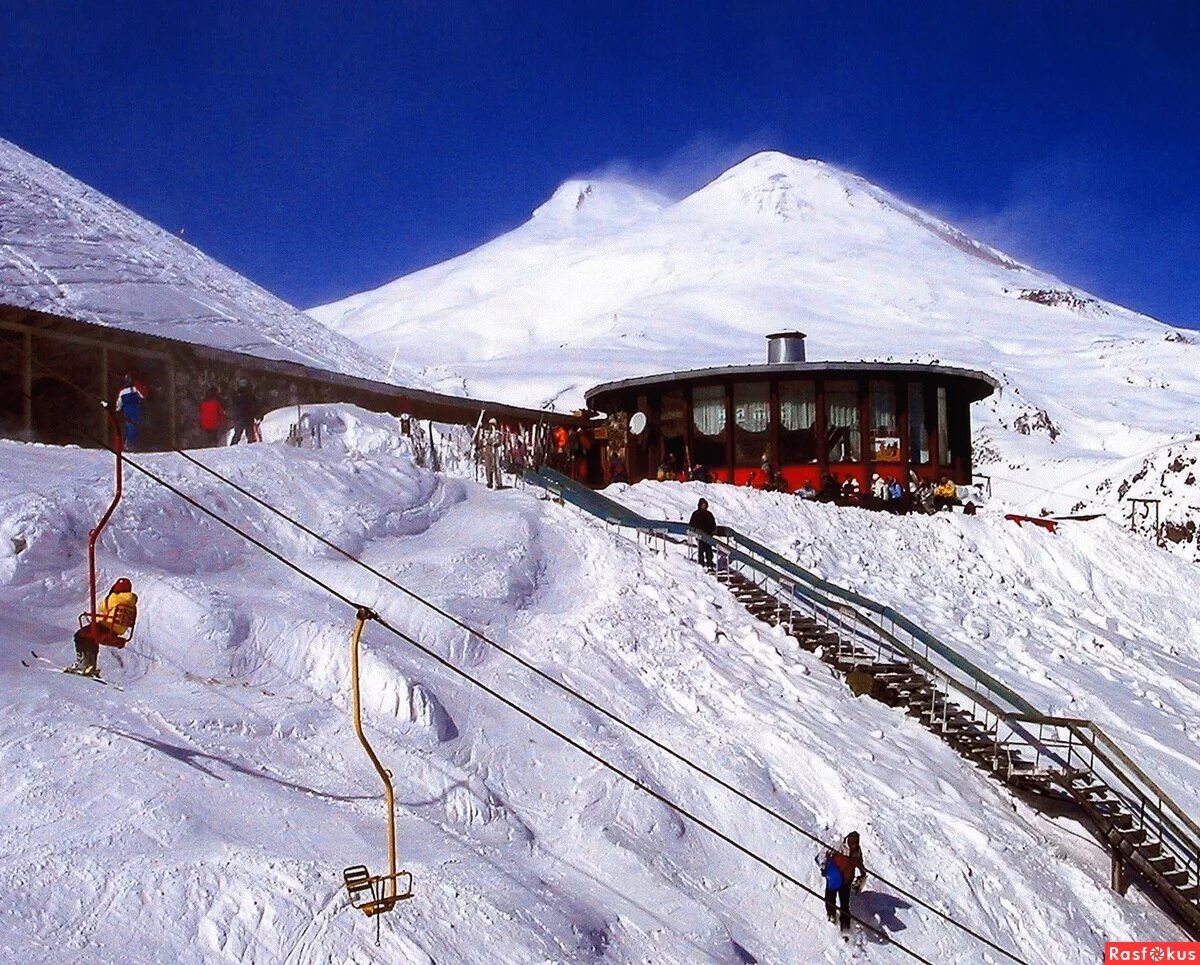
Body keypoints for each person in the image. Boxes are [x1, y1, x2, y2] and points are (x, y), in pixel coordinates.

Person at [69, 577, 138, 678]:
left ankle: (83, 663)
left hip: (106, 626)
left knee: (80, 635)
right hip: (116, 631)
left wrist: (111, 594)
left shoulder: (114, 598)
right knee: (91, 637)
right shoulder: (132, 604)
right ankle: (91, 665)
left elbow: (102, 607)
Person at [821, 831, 867, 931]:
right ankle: (831, 914)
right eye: (852, 842)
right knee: (830, 898)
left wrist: (863, 872)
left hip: (846, 881)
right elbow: (824, 852)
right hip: (835, 877)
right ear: (848, 840)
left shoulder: (857, 851)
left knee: (845, 906)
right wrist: (823, 866)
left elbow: (859, 862)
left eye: (856, 843)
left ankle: (845, 929)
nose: (854, 845)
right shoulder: (839, 846)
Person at [115, 376, 146, 450]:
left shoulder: (122, 391)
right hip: (135, 408)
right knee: (134, 426)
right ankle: (130, 444)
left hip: (127, 410)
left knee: (130, 427)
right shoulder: (135, 388)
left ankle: (129, 444)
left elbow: (119, 403)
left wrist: (117, 409)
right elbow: (142, 396)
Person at [688, 497, 717, 569]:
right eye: (702, 505)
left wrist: (712, 532)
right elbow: (691, 524)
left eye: (705, 505)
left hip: (708, 535)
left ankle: (710, 563)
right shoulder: (695, 514)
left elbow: (713, 524)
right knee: (701, 549)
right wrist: (694, 531)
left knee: (708, 550)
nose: (703, 506)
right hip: (699, 535)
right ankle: (701, 564)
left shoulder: (709, 514)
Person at [229, 377, 258, 445]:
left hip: (239, 417)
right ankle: (252, 447)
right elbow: (254, 406)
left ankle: (232, 446)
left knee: (237, 434)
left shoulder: (236, 395)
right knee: (250, 435)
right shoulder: (250, 395)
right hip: (248, 417)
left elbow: (233, 406)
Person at [479, 417, 503, 489]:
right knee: (494, 466)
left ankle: (490, 482)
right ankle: (495, 482)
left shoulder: (487, 429)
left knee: (489, 466)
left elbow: (483, 438)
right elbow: (498, 439)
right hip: (493, 448)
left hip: (488, 448)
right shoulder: (495, 430)